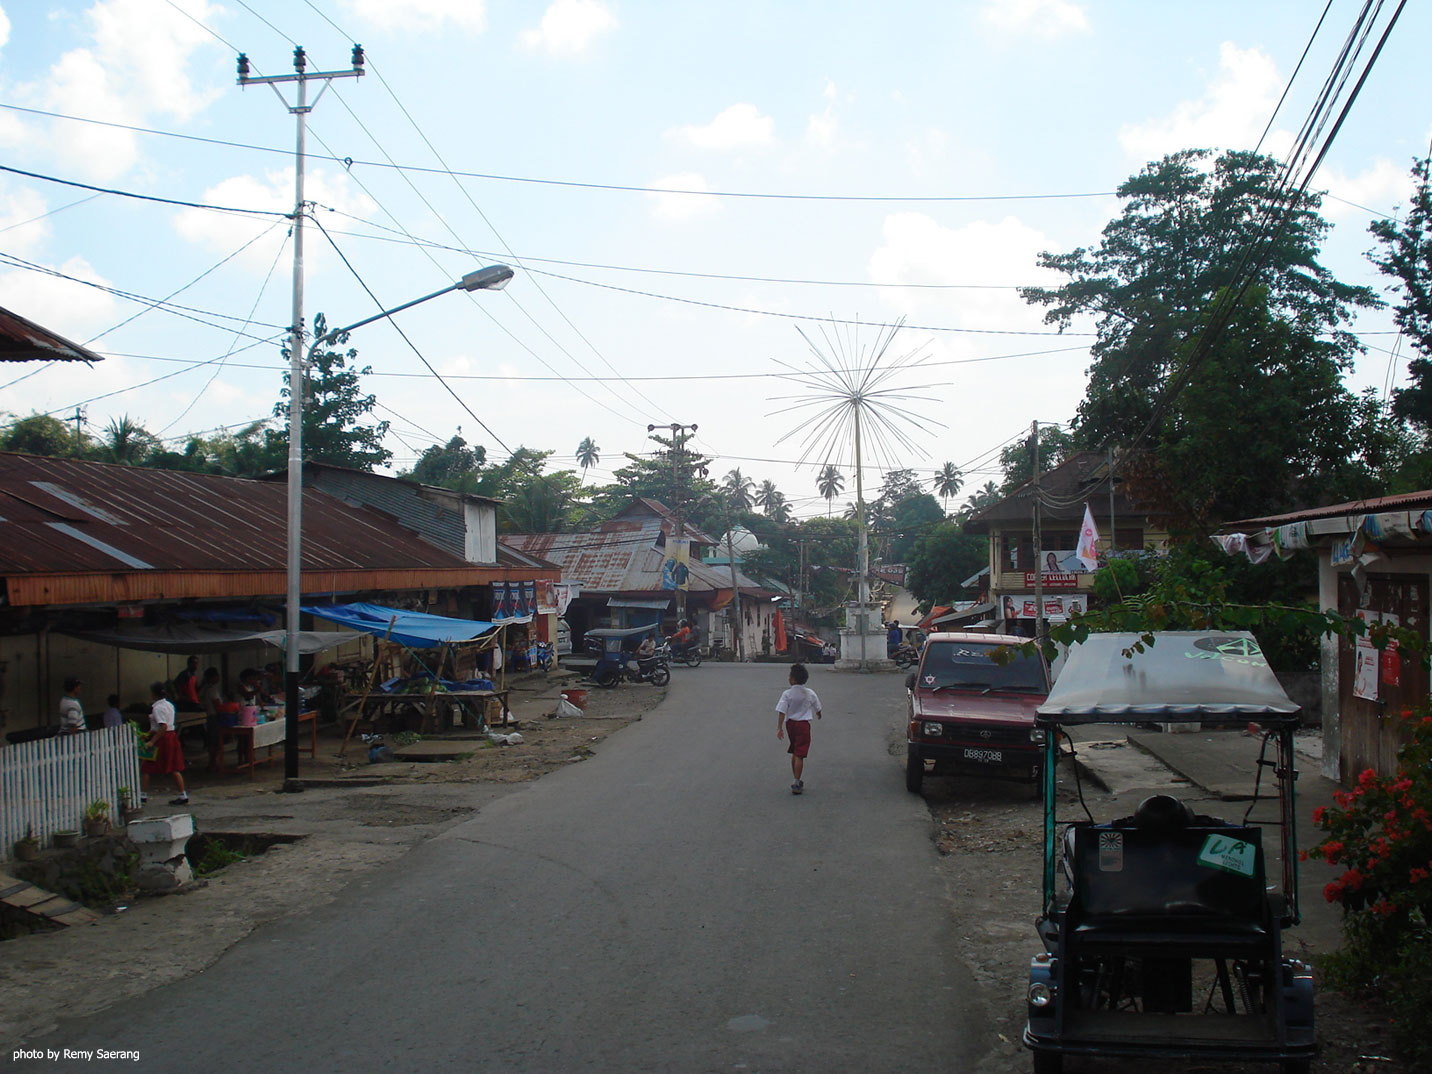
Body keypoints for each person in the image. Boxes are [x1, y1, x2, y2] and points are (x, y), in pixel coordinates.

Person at [776, 662, 822, 795]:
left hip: (790, 724)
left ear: (793, 679)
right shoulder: (809, 693)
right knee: (799, 754)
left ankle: (796, 778)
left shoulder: (787, 694)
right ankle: (797, 781)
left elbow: (781, 711)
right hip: (803, 725)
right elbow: (817, 706)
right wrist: (819, 714)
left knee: (795, 750)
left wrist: (779, 728)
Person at [141, 682, 188, 806]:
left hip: (162, 738)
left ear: (153, 694)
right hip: (171, 735)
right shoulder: (169, 705)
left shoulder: (157, 708)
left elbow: (162, 726)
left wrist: (151, 741)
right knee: (174, 767)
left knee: (146, 766)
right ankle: (183, 794)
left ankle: (143, 795)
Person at [197, 668, 224, 770]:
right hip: (214, 716)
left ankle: (212, 762)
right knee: (214, 741)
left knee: (212, 740)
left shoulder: (205, 689)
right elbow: (217, 705)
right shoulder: (212, 689)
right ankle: (213, 762)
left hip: (209, 715)